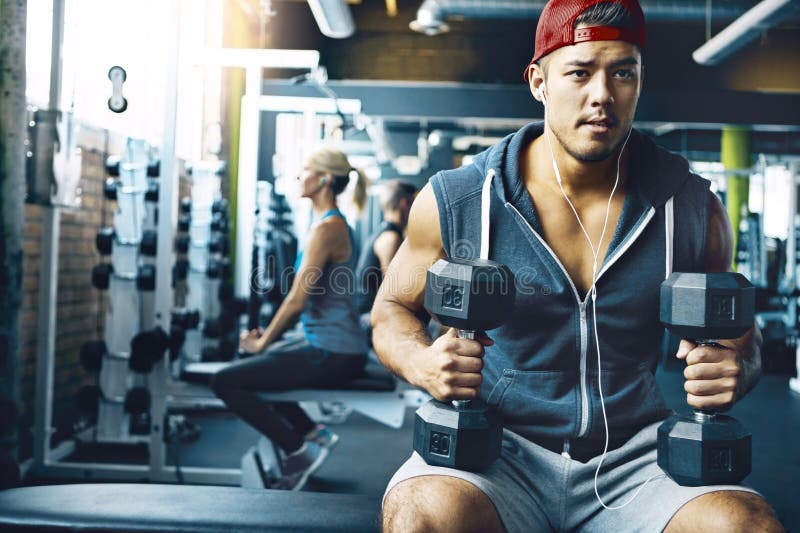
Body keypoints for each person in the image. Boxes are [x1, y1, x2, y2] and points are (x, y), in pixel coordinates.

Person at [372, 1, 784, 531]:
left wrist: (737, 368)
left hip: (636, 459)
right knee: (421, 517)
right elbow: (390, 310)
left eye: (622, 73)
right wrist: (423, 363)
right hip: (495, 451)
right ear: (538, 81)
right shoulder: (459, 200)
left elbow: (741, 339)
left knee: (746, 525)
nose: (602, 96)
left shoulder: (691, 209)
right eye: (579, 71)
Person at [212, 147, 369, 491]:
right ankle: (313, 432)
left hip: (334, 351)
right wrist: (267, 343)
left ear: (325, 179)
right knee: (268, 360)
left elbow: (297, 301)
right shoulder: (330, 225)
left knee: (226, 381)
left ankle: (299, 451)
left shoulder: (327, 230)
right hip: (335, 345)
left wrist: (263, 341)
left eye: (305, 170)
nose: (299, 176)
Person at [355, 179, 418, 327]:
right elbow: (392, 290)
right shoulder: (390, 238)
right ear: (405, 204)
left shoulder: (385, 231)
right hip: (367, 318)